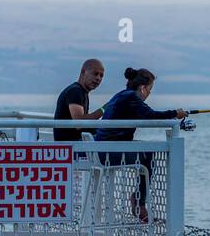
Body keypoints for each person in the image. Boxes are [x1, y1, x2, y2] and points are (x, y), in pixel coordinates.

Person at [93, 67, 185, 222]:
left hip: (101, 149)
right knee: (148, 154)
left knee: (145, 151)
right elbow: (151, 115)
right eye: (150, 90)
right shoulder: (131, 98)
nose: (149, 94)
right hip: (107, 153)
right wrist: (175, 114)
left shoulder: (121, 95)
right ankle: (139, 202)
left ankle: (139, 199)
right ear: (143, 88)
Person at [53, 59, 106, 141]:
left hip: (76, 144)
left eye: (101, 76)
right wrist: (105, 109)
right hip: (70, 147)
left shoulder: (82, 92)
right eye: (95, 74)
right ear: (83, 72)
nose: (98, 78)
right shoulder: (75, 91)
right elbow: (79, 123)